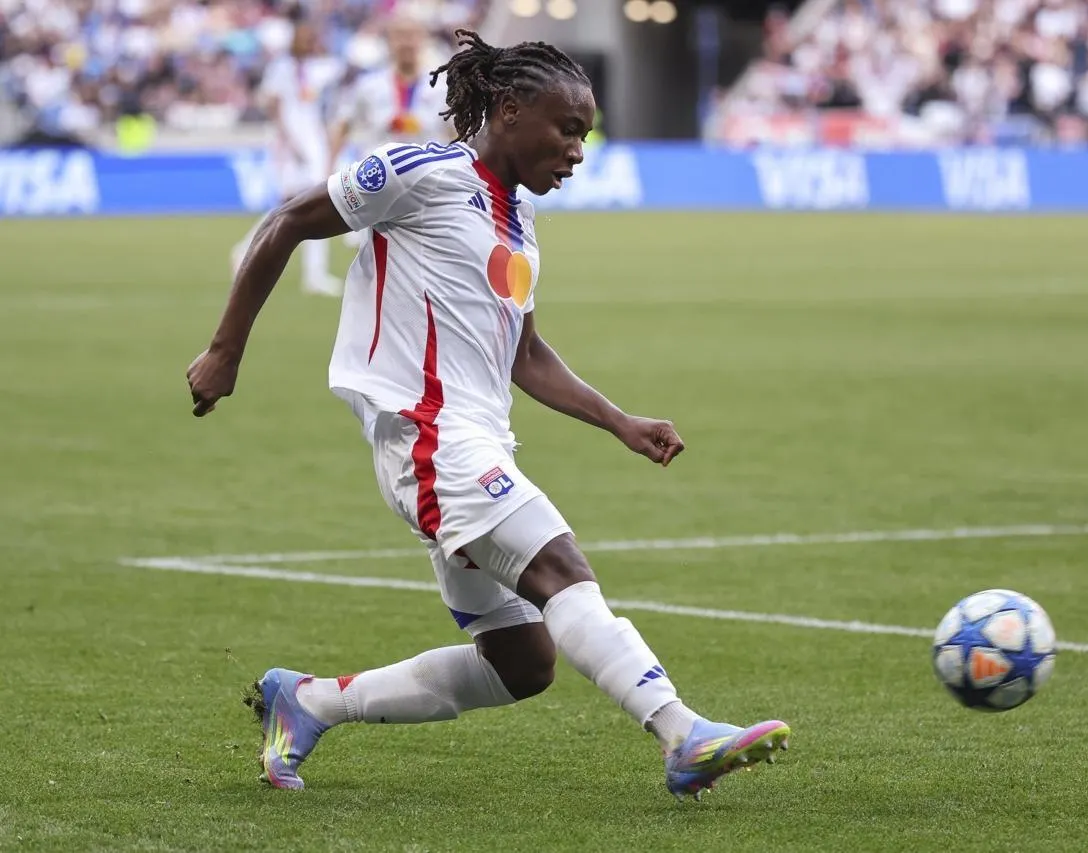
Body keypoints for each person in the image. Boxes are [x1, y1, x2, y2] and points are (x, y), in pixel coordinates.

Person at [186, 29, 790, 801]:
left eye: (587, 135)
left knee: (523, 662)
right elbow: (287, 221)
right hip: (429, 438)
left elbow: (526, 355)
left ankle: (306, 701)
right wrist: (226, 350)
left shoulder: (518, 221)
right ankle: (681, 733)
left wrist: (620, 422)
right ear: (508, 109)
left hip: (473, 441)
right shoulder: (421, 172)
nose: (577, 150)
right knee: (562, 568)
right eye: (568, 128)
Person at [231, 21, 345, 296]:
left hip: (312, 139)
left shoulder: (315, 69)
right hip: (293, 144)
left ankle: (313, 273)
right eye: (304, 39)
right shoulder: (282, 68)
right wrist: (290, 143)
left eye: (311, 38)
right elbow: (274, 106)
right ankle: (248, 249)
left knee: (314, 202)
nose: (308, 43)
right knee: (302, 203)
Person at [328, 14, 449, 250]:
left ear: (423, 40)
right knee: (374, 253)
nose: (406, 42)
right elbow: (343, 124)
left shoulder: (442, 85)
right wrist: (330, 165)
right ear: (389, 42)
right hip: (378, 183)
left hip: (425, 180)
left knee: (425, 251)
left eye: (412, 36)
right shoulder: (369, 85)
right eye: (399, 36)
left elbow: (457, 131)